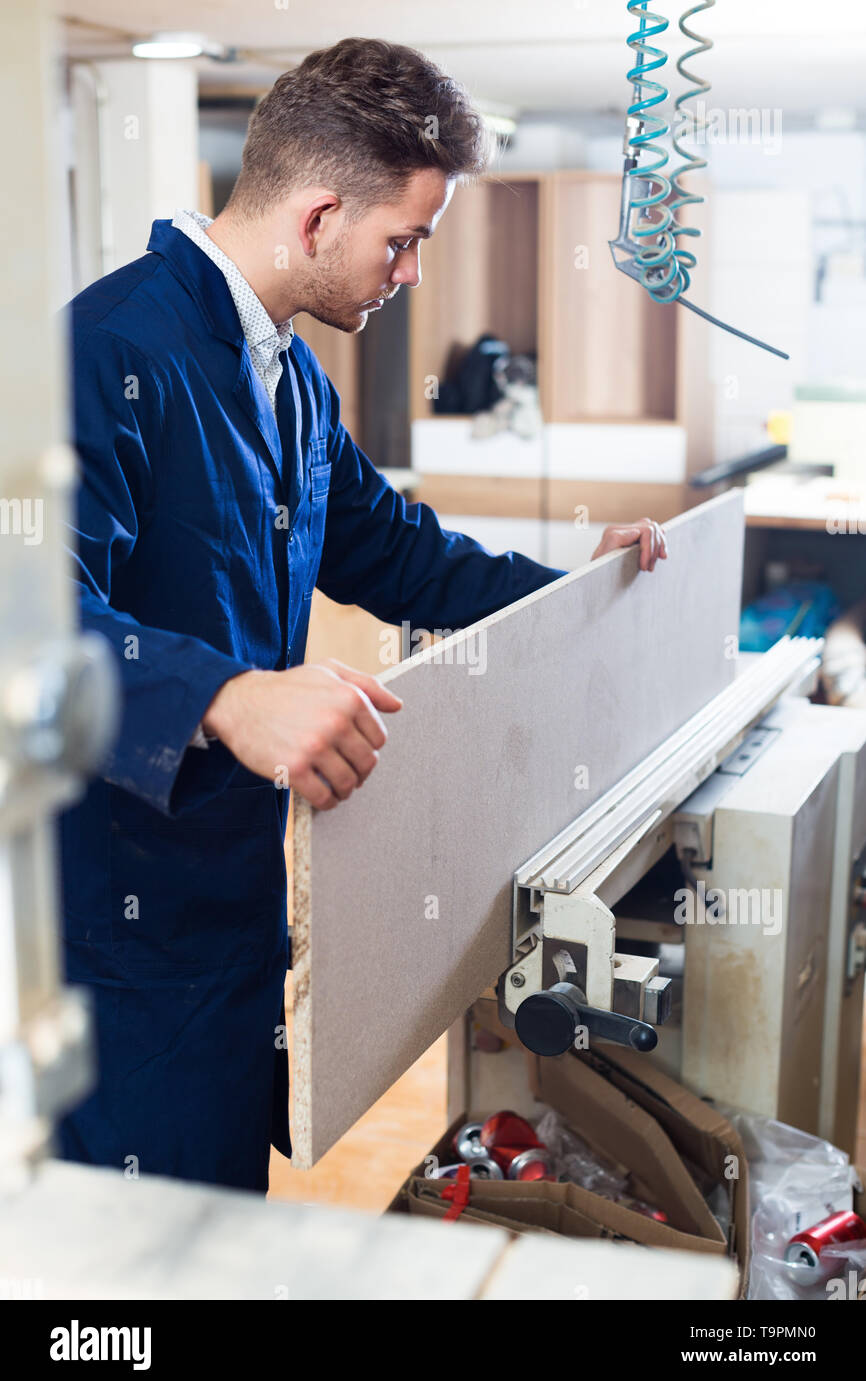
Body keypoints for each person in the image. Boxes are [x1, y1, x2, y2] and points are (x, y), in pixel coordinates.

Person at [59, 37, 667, 1193]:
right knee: (142, 1257)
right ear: (319, 215)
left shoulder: (286, 377)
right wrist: (227, 695)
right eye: (406, 239)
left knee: (220, 1221)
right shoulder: (108, 352)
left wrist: (577, 594)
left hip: (240, 910)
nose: (411, 273)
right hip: (129, 933)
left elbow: (393, 551)